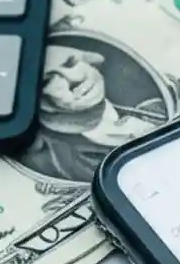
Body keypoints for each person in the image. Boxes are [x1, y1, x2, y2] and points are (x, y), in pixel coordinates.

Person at [17, 45, 167, 182]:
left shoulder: (155, 106)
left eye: (70, 63)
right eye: (48, 81)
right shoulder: (57, 160)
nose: (73, 79)